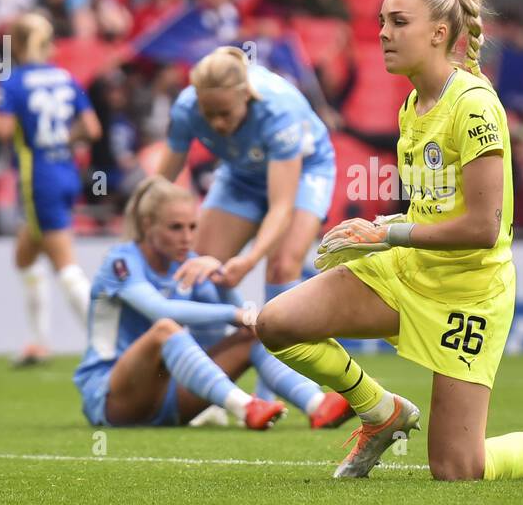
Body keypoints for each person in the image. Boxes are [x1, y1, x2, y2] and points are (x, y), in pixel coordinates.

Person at [255, 0, 523, 481]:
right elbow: (431, 210)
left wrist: (386, 233)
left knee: (458, 468)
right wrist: (377, 229)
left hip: (469, 292)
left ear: (440, 33)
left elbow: (483, 228)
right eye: (381, 22)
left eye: (399, 22)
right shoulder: (411, 105)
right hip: (409, 270)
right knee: (276, 324)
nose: (383, 33)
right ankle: (381, 412)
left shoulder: (474, 105)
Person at [74, 177, 350, 429]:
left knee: (252, 336)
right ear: (147, 225)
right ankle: (246, 408)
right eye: (175, 227)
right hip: (110, 398)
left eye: (192, 227)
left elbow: (247, 322)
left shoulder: (188, 263)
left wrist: (220, 276)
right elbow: (160, 310)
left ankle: (317, 405)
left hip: (166, 399)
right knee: (164, 329)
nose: (186, 237)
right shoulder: (121, 262)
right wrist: (235, 314)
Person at [157, 46, 337, 404]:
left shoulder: (278, 111)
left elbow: (281, 206)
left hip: (305, 172)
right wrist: (141, 232)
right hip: (241, 176)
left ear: (245, 94)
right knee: (200, 267)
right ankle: (211, 389)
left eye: (224, 114)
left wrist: (249, 260)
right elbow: (162, 181)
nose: (217, 124)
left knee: (283, 265)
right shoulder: (186, 107)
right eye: (209, 115)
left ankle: (277, 387)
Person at [0, 13, 101, 367]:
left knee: (64, 264)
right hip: (66, 171)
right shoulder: (66, 78)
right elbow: (92, 129)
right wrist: (61, 140)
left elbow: (4, 132)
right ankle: (39, 343)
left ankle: (104, 341)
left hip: (37, 177)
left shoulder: (14, 82)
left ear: (18, 45)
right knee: (25, 256)